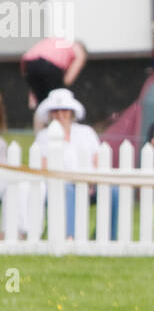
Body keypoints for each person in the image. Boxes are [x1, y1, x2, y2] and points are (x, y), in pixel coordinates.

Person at [33, 87, 100, 238]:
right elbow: (42, 167)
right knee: (68, 189)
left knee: (113, 191)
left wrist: (92, 182)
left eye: (64, 109)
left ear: (72, 112)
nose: (60, 114)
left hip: (90, 183)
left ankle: (107, 235)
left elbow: (98, 162)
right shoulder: (43, 137)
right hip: (59, 184)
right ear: (50, 114)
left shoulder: (87, 132)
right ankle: (70, 236)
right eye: (55, 110)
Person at [21, 37, 87, 127]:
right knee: (58, 101)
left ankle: (40, 132)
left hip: (29, 64)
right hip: (50, 66)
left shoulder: (55, 41)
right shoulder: (78, 49)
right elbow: (68, 79)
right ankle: (61, 129)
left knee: (41, 105)